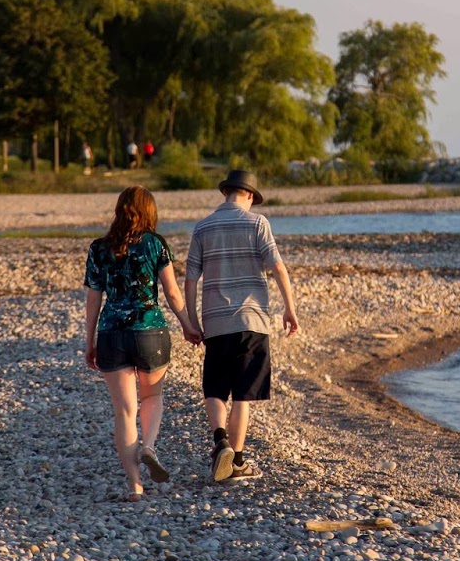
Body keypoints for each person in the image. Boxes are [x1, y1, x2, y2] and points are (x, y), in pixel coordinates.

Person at [83, 186, 201, 502]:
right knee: (152, 396)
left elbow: (93, 300)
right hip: (150, 332)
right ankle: (149, 446)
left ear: (119, 210)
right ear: (149, 212)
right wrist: (189, 326)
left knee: (124, 411)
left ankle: (135, 485)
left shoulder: (98, 249)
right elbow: (173, 294)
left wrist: (89, 341)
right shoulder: (155, 245)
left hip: (111, 334)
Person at [184, 169, 299, 482]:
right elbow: (276, 266)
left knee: (216, 388)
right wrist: (289, 308)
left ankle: (219, 440)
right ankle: (236, 461)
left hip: (215, 321)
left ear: (226, 193)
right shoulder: (257, 223)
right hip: (252, 320)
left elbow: (191, 278)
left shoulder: (203, 227)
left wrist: (192, 321)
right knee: (243, 394)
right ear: (249, 195)